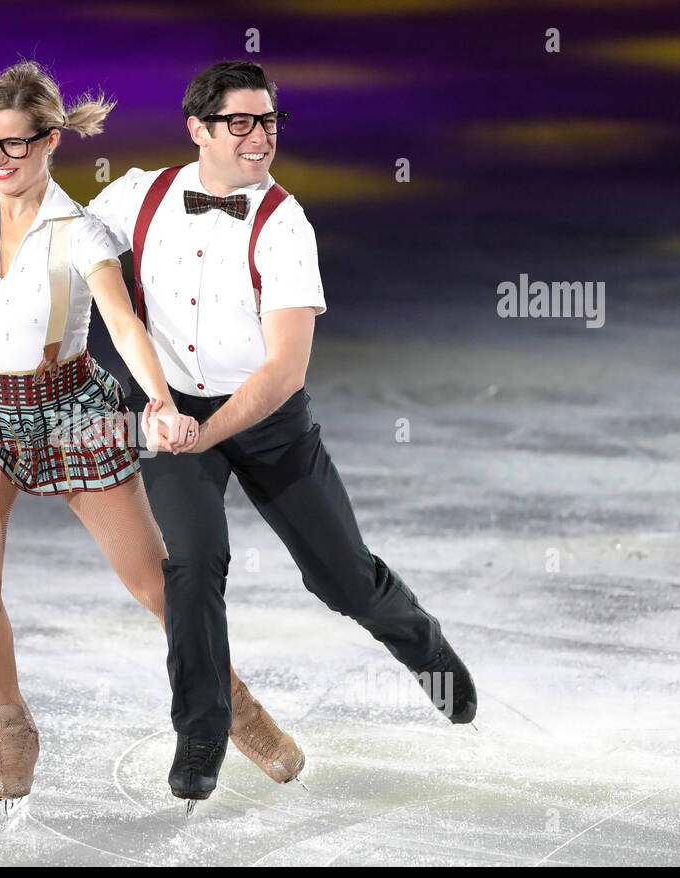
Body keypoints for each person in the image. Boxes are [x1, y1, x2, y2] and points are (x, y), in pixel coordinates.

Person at [0, 60, 304, 809]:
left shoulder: (79, 230)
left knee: (154, 583)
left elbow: (125, 326)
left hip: (69, 412)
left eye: (18, 144)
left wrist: (159, 400)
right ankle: (11, 720)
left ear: (51, 140)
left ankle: (235, 706)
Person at [77, 60, 479, 800]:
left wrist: (212, 430)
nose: (261, 137)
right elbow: (65, 247)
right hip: (173, 415)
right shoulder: (138, 194)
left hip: (265, 418)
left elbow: (284, 370)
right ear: (198, 128)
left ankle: (423, 646)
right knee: (192, 567)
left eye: (269, 121)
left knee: (341, 577)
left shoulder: (285, 223)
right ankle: (202, 730)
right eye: (242, 122)